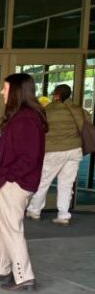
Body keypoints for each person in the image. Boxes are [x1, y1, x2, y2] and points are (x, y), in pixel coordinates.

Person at [0, 73, 46, 291]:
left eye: (5, 88)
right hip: (8, 181)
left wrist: (10, 176)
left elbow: (30, 156)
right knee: (2, 227)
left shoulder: (26, 119)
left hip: (15, 183)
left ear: (17, 91)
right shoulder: (19, 116)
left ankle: (23, 275)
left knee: (11, 228)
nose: (1, 92)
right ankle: (2, 268)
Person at [26, 84, 89, 226]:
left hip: (54, 151)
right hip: (74, 150)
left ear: (56, 95)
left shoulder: (48, 110)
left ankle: (34, 211)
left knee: (44, 182)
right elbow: (87, 121)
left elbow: (39, 127)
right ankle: (63, 215)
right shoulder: (77, 109)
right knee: (66, 184)